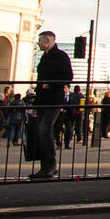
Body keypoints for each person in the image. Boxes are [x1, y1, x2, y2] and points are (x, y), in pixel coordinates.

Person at [31, 30, 72, 180]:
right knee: (42, 130)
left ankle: (50, 165)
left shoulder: (61, 56)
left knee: (44, 129)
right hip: (43, 98)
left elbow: (68, 76)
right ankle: (45, 166)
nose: (39, 44)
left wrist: (51, 84)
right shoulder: (45, 56)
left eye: (40, 41)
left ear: (47, 41)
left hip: (54, 98)